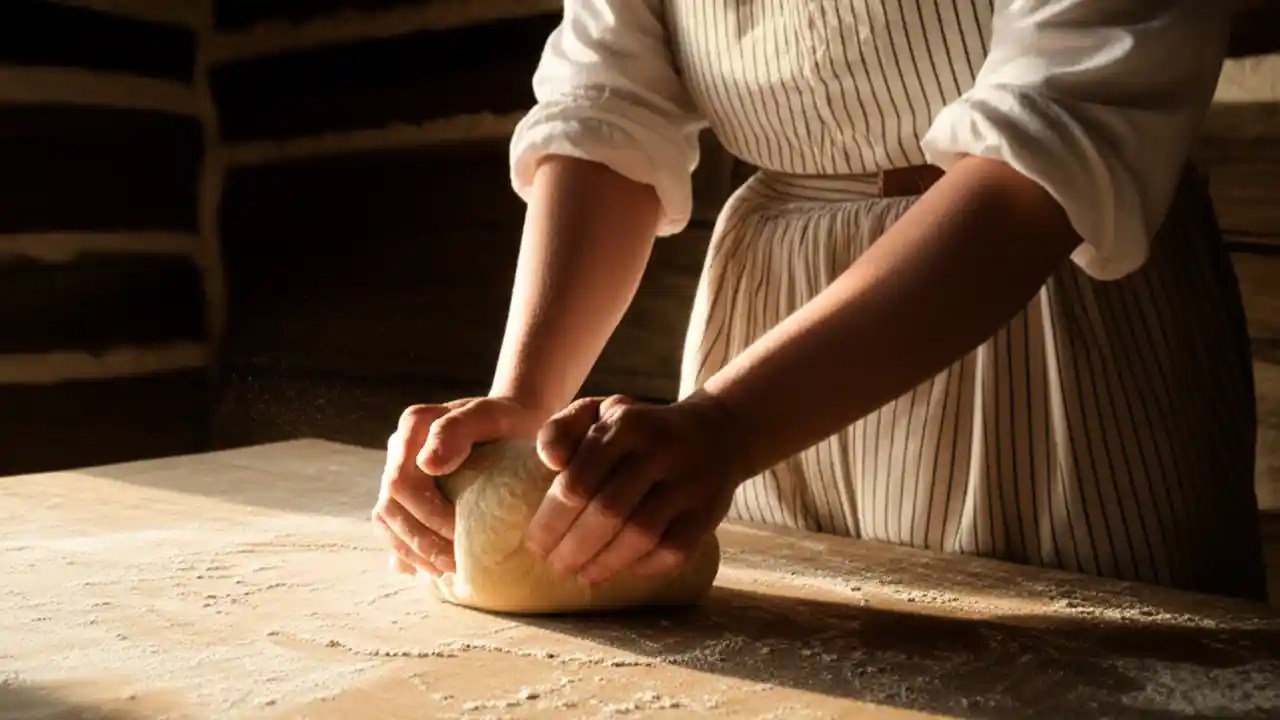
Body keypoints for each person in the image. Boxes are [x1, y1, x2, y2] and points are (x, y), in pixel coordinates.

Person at [372, 0, 1267, 600]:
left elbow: (1055, 139)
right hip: (770, 311)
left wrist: (728, 426)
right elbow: (604, 104)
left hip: (1039, 299)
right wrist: (524, 404)